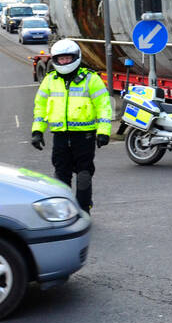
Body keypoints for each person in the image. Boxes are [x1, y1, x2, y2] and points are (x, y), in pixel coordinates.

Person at [30, 39, 113, 214]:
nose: (64, 62)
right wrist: (37, 131)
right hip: (60, 136)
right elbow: (41, 108)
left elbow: (104, 107)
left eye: (68, 58)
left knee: (84, 174)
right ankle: (64, 211)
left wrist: (103, 132)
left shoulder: (91, 79)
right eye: (60, 59)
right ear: (55, 60)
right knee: (60, 175)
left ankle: (83, 209)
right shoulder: (50, 80)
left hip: (84, 136)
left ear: (76, 57)